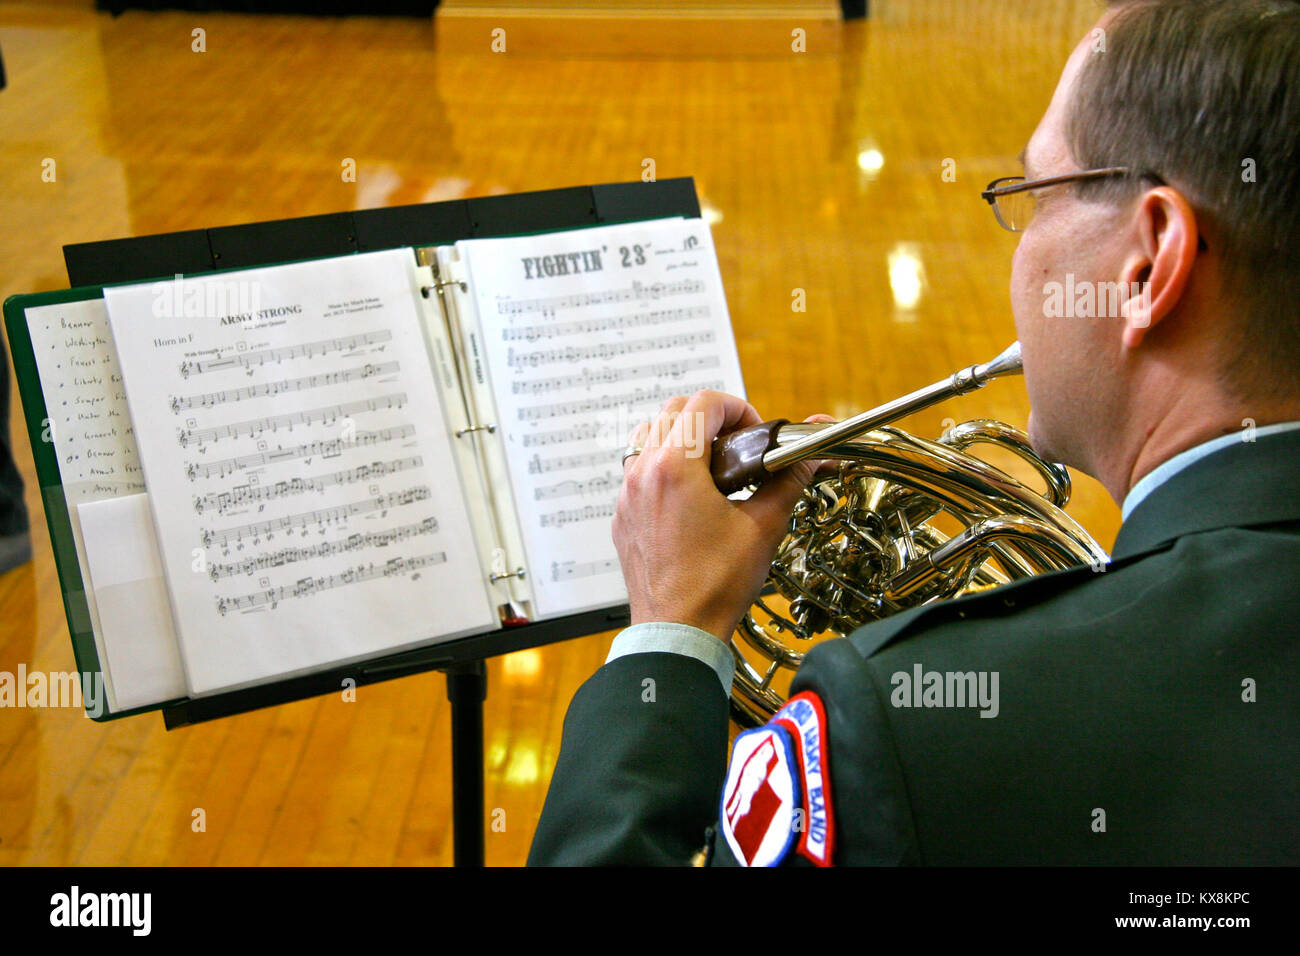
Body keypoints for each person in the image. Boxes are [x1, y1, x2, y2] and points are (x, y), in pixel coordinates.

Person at [528, 0, 1300, 866]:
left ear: (1150, 261)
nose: (1021, 244)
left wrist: (667, 640)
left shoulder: (888, 731)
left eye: (1033, 194)